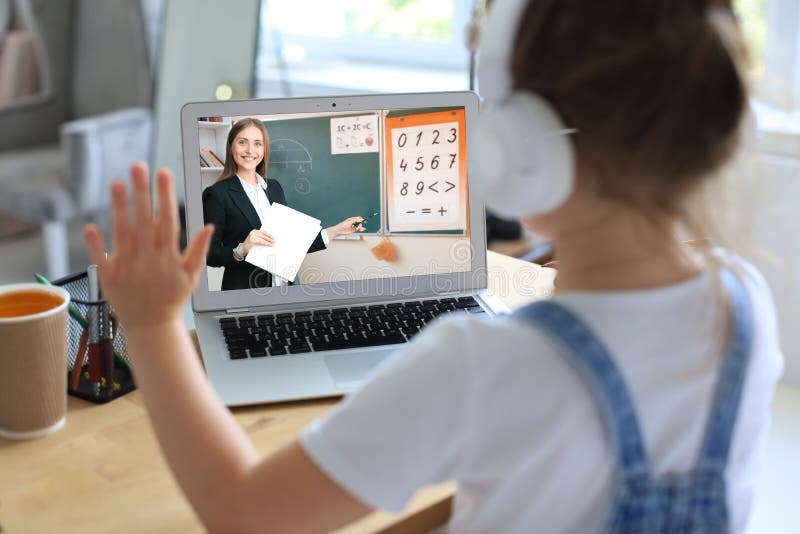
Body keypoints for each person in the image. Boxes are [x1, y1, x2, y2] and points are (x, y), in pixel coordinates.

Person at [83, 1, 783, 532]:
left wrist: (149, 325)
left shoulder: (486, 364)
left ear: (518, 143)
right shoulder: (745, 304)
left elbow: (245, 513)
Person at [202, 117, 364, 290]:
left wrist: (338, 230)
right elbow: (208, 254)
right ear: (231, 146)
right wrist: (242, 249)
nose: (250, 150)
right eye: (242, 142)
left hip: (285, 288)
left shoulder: (274, 187)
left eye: (258, 144)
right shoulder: (217, 194)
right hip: (245, 293)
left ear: (264, 149)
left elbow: (291, 243)